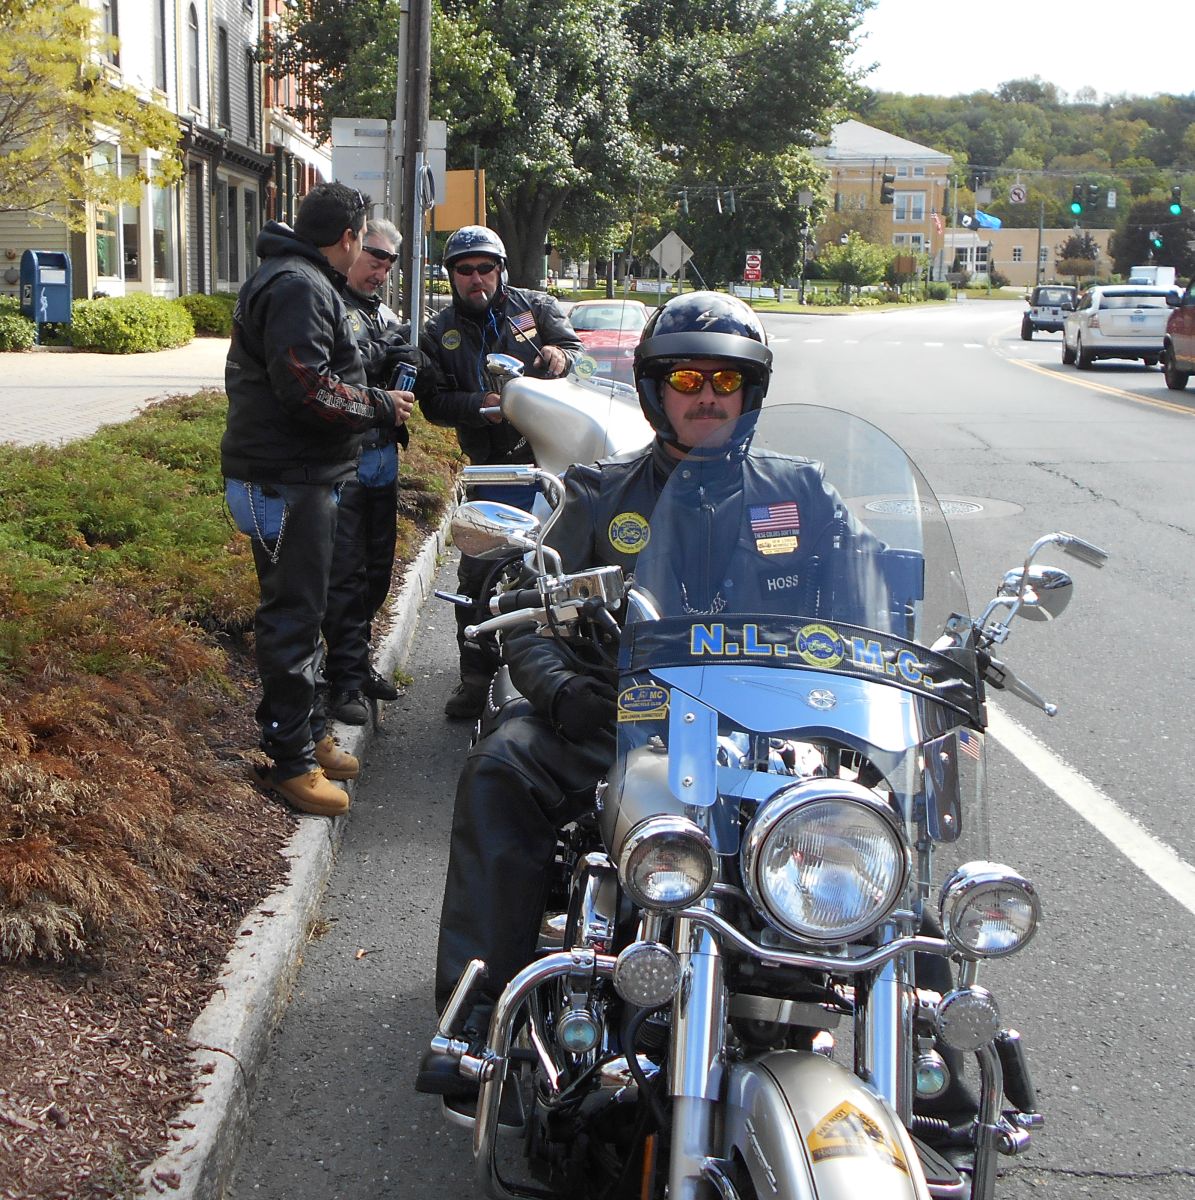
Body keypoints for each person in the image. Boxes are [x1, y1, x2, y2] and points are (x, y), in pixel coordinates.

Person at [418, 293, 976, 1143]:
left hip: (777, 734)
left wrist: (930, 653)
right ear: (654, 390)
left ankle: (926, 1045)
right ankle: (474, 1018)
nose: (706, 394)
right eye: (687, 377)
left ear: (750, 391)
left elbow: (878, 597)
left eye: (725, 379)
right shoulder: (601, 493)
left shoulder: (804, 492)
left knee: (878, 835)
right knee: (503, 766)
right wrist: (570, 694)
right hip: (625, 728)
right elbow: (527, 611)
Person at [221, 183, 412, 817]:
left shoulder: (298, 276)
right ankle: (290, 760)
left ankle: (303, 735)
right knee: (293, 618)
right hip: (284, 479)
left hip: (298, 476)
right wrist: (379, 404)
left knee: (304, 612)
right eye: (363, 238)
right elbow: (306, 389)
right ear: (348, 238)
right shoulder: (299, 284)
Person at [419, 225, 584, 720]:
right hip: (493, 468)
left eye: (484, 268)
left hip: (553, 459)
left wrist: (563, 356)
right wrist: (484, 405)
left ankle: (571, 664)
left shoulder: (536, 308)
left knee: (566, 564)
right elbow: (433, 403)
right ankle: (475, 675)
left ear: (501, 270)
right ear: (451, 276)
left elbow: (586, 362)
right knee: (477, 572)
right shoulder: (438, 330)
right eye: (464, 270)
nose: (476, 278)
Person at [321, 217, 439, 725]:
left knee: (374, 571)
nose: (380, 271)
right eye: (374, 259)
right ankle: (343, 679)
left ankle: (357, 663)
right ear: (351, 248)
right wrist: (384, 353)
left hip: (382, 457)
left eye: (389, 263)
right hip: (342, 460)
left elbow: (403, 380)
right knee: (344, 576)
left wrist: (415, 360)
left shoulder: (382, 312)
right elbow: (334, 371)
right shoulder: (326, 303)